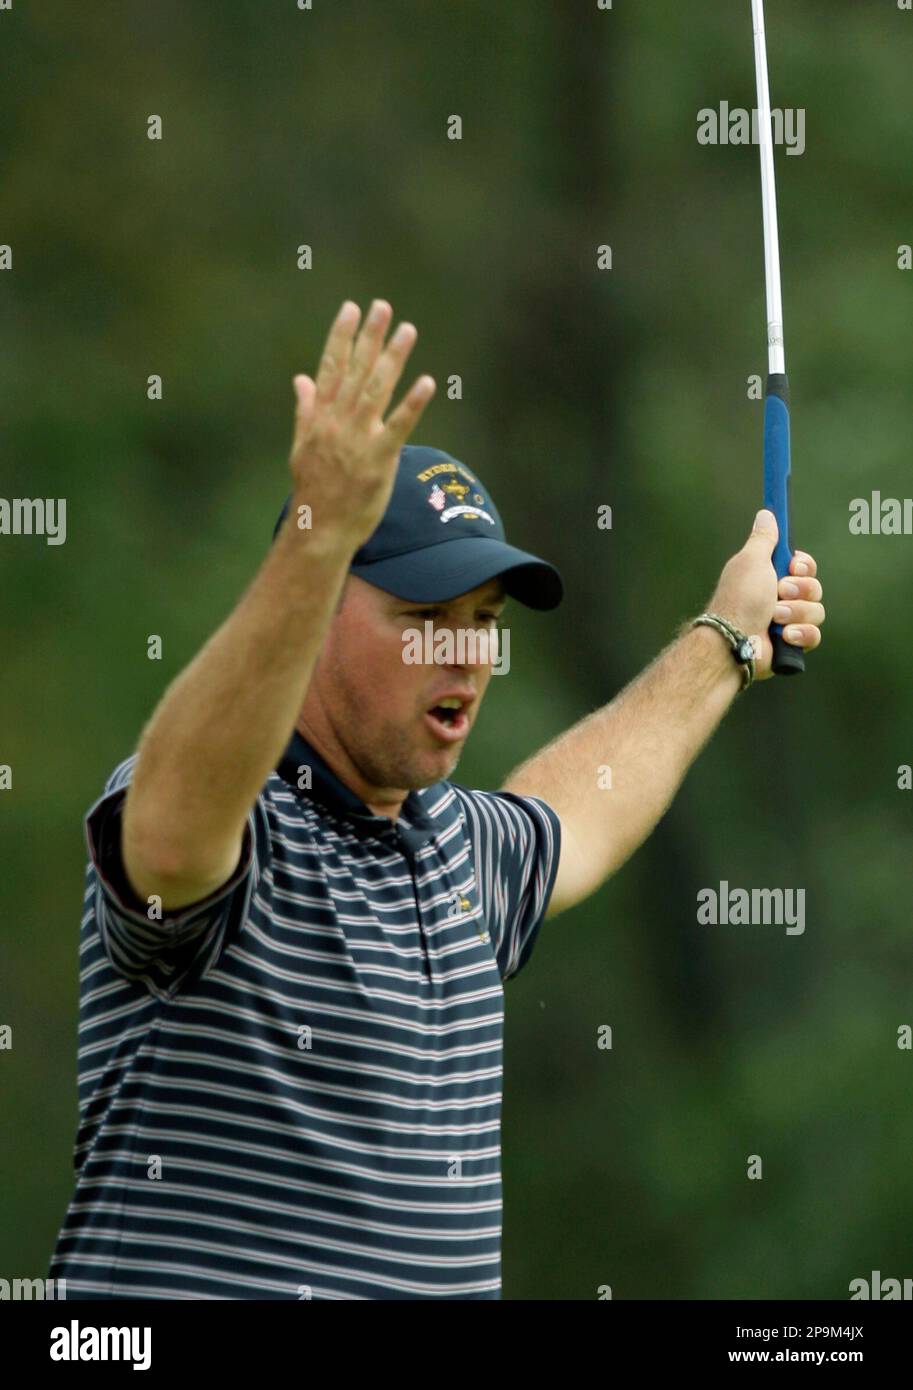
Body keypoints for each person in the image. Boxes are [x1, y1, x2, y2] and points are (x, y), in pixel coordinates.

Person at [49, 299, 825, 1299]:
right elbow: (165, 832)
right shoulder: (237, 826)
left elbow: (578, 805)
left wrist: (726, 638)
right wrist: (313, 542)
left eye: (484, 619)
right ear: (317, 608)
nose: (465, 652)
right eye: (423, 616)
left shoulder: (453, 848)